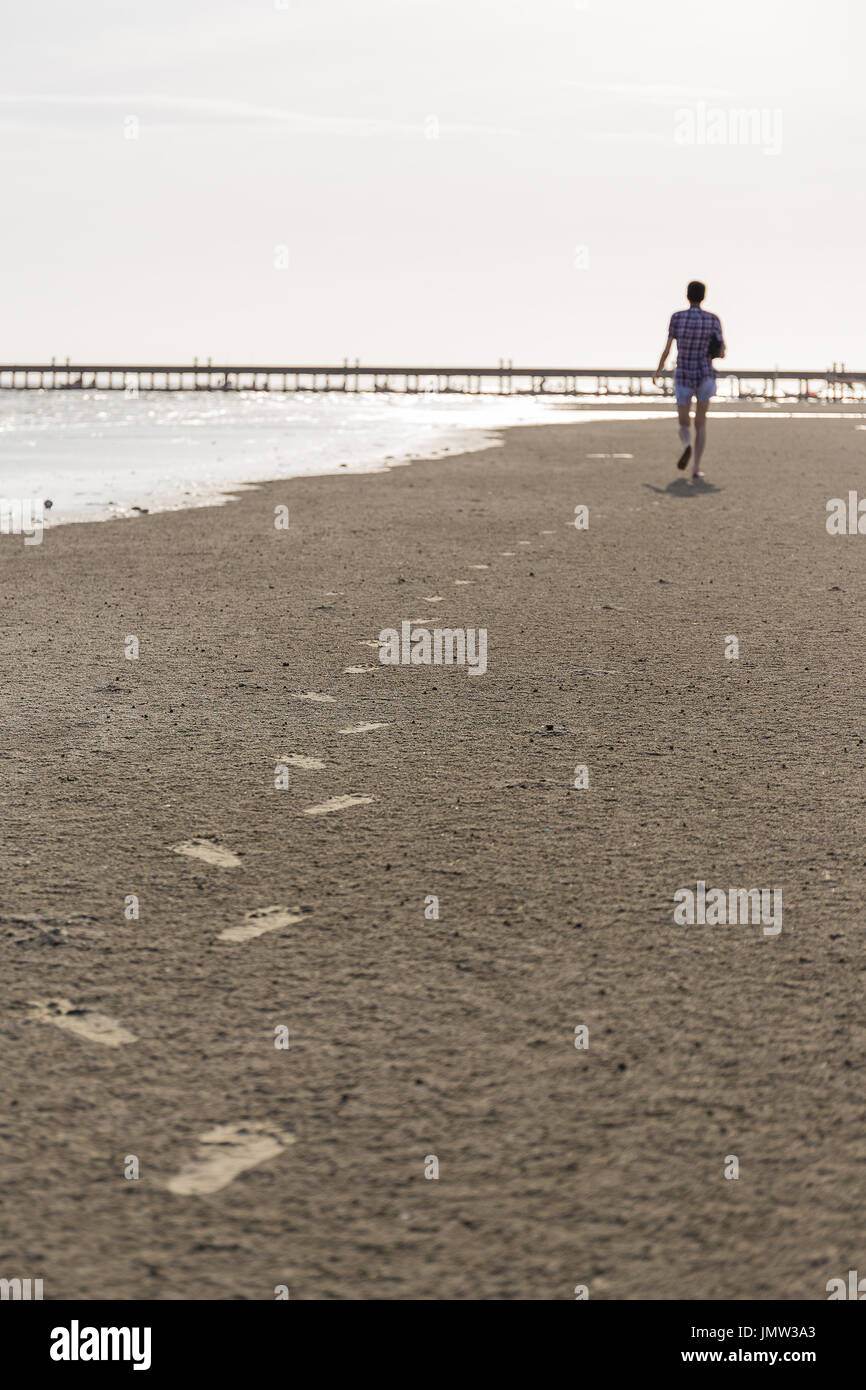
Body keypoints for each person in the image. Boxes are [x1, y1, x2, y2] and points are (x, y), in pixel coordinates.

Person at [654, 281, 725, 478]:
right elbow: (721, 350)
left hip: (683, 373)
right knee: (701, 423)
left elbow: (668, 348)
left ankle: (686, 445)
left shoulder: (677, 317)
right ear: (704, 296)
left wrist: (658, 370)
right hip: (704, 374)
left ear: (687, 295)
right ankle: (696, 468)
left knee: (683, 423)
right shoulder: (712, 320)